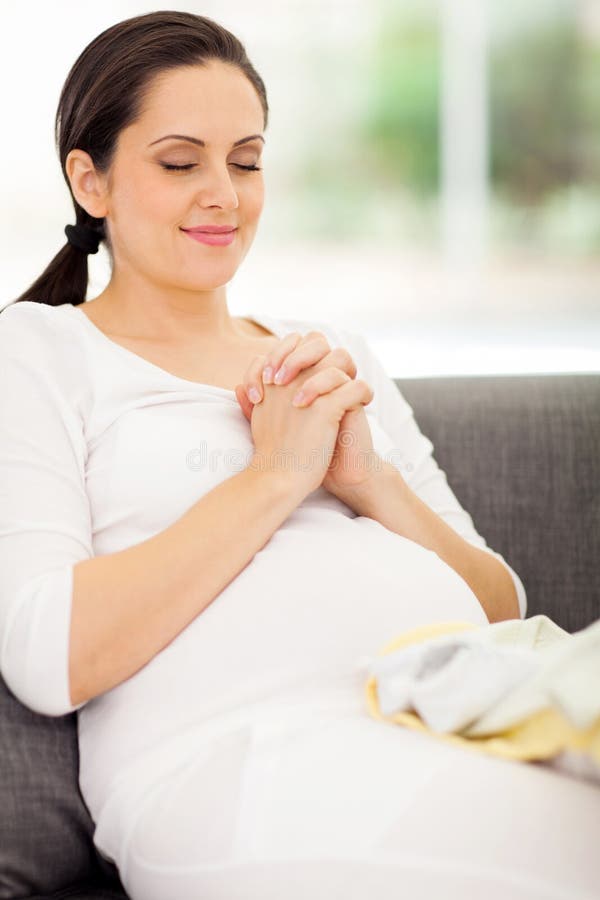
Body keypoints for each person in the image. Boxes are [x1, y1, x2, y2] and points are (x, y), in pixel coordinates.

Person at [0, 11, 597, 900]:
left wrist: (368, 481)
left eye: (246, 162)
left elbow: (501, 605)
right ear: (91, 181)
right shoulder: (37, 352)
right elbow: (48, 654)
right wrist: (275, 476)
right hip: (243, 765)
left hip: (457, 709)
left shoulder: (333, 353)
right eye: (180, 163)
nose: (225, 195)